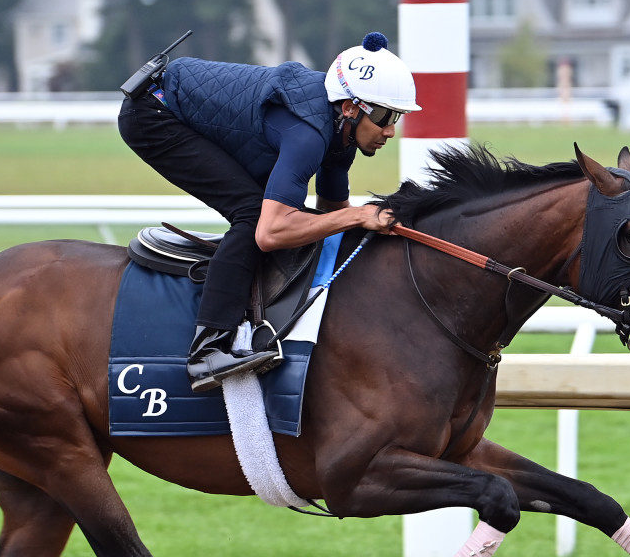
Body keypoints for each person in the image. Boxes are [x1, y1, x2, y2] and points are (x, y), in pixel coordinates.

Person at [118, 31, 420, 392]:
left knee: (284, 213)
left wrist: (375, 226)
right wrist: (359, 215)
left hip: (184, 106)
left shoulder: (341, 133)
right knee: (252, 215)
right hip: (154, 114)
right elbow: (271, 232)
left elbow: (330, 213)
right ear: (352, 108)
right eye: (386, 116)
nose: (390, 131)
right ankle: (208, 351)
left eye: (397, 118)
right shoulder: (309, 134)